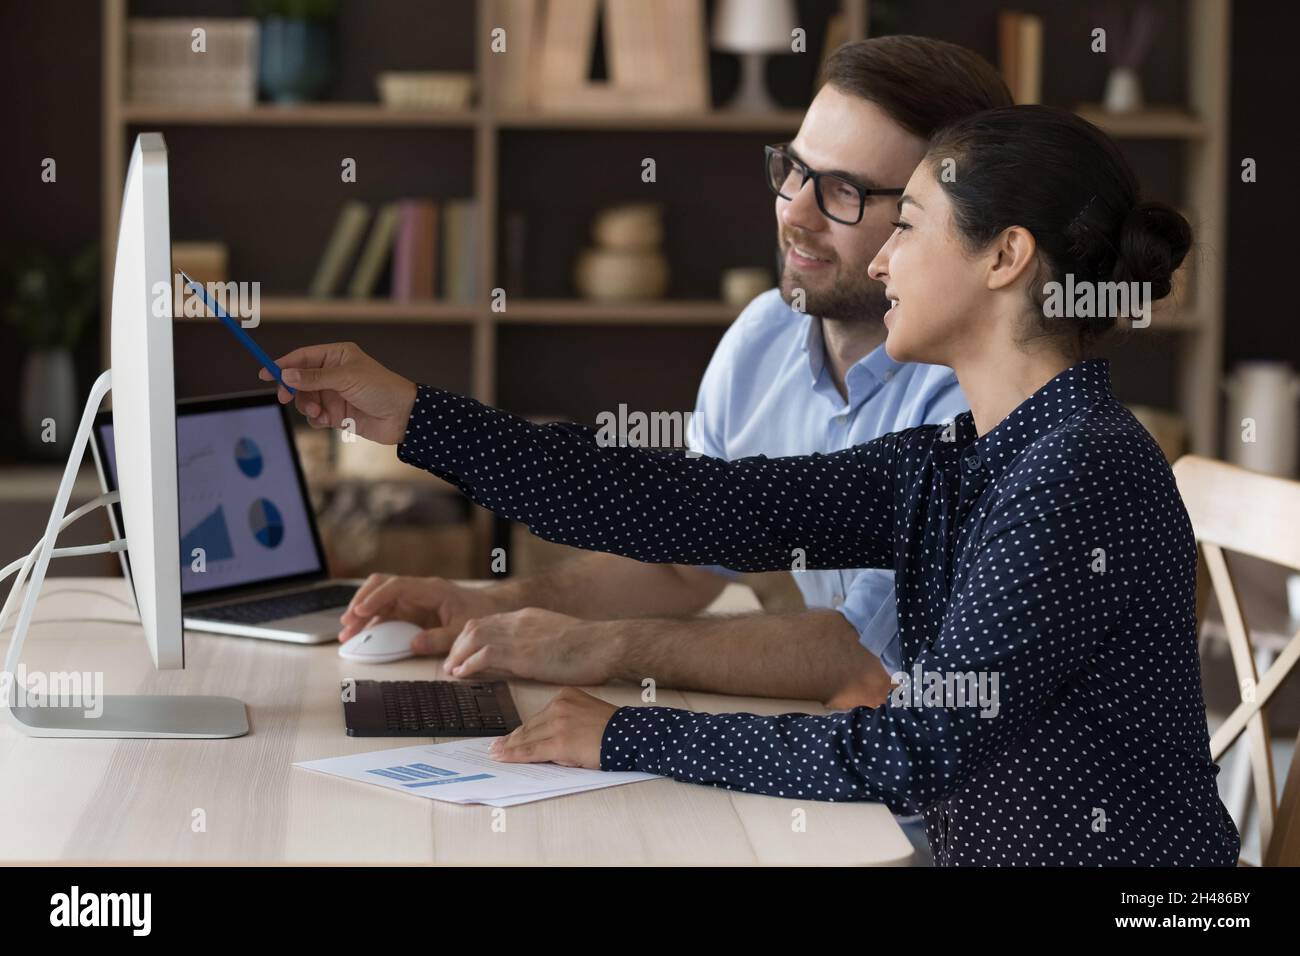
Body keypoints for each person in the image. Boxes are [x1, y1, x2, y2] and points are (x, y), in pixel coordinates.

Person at [261, 105, 1241, 866]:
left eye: (907, 224)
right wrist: (412, 416)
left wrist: (627, 733)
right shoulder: (957, 457)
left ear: (1006, 255)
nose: (883, 257)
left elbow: (907, 752)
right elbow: (693, 504)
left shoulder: (1081, 471)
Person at [336, 36, 1012, 714]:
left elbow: (859, 656)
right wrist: (490, 601)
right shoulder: (765, 335)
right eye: (794, 171)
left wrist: (599, 647)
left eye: (845, 192)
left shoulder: (978, 399)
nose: (795, 214)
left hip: (945, 792)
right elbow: (685, 553)